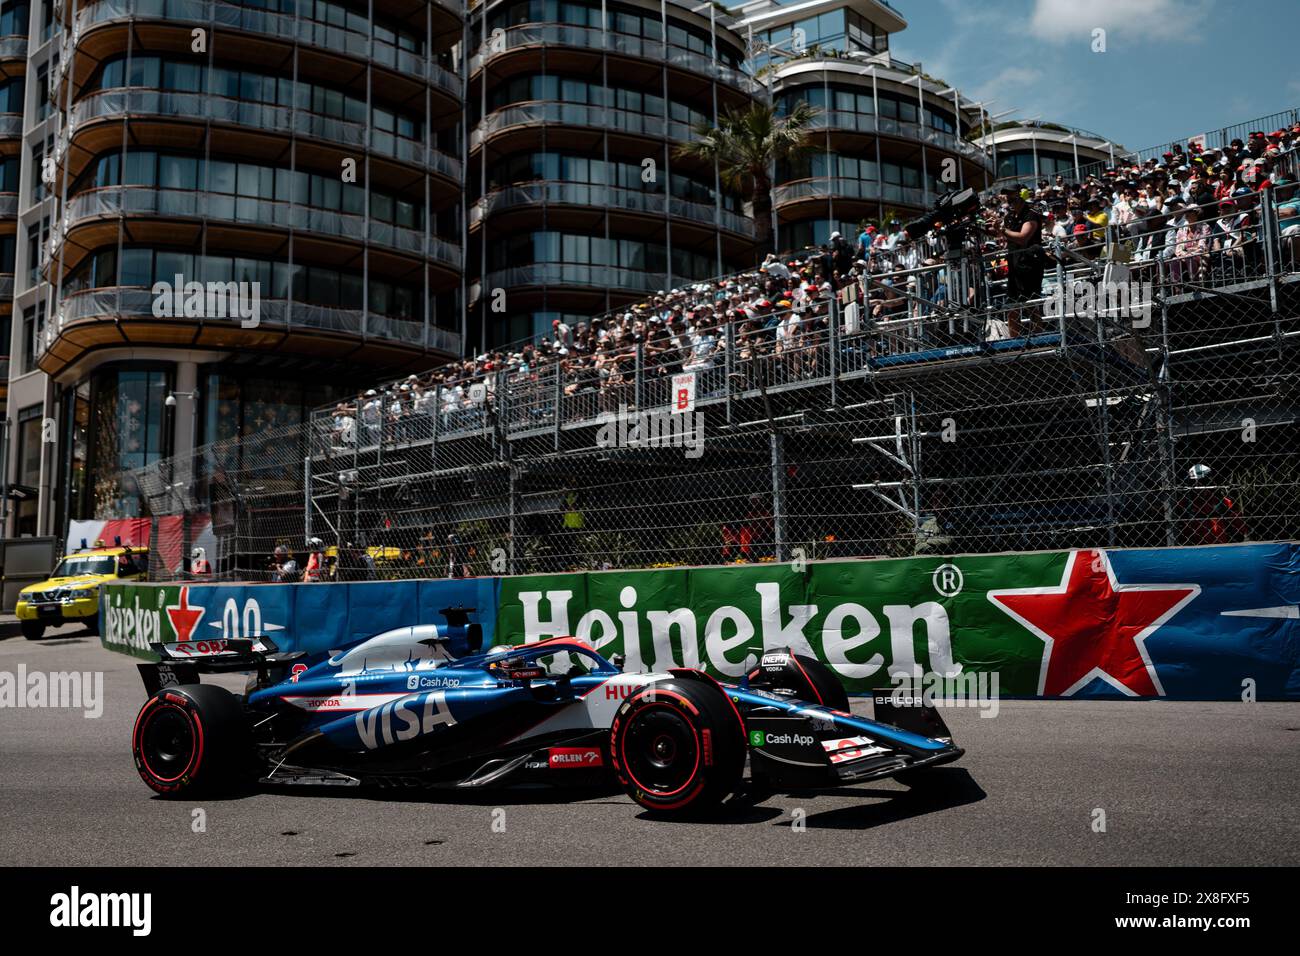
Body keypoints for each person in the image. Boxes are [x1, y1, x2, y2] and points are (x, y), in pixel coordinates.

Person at [998, 185, 1045, 338]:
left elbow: (1023, 237)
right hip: (1014, 262)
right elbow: (1004, 235)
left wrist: (1002, 230)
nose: (1010, 200)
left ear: (1021, 196)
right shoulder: (1009, 217)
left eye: (1012, 196)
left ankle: (1038, 338)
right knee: (1012, 305)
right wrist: (990, 229)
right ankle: (1014, 342)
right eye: (1008, 197)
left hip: (1029, 262)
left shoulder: (1031, 214)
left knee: (1030, 303)